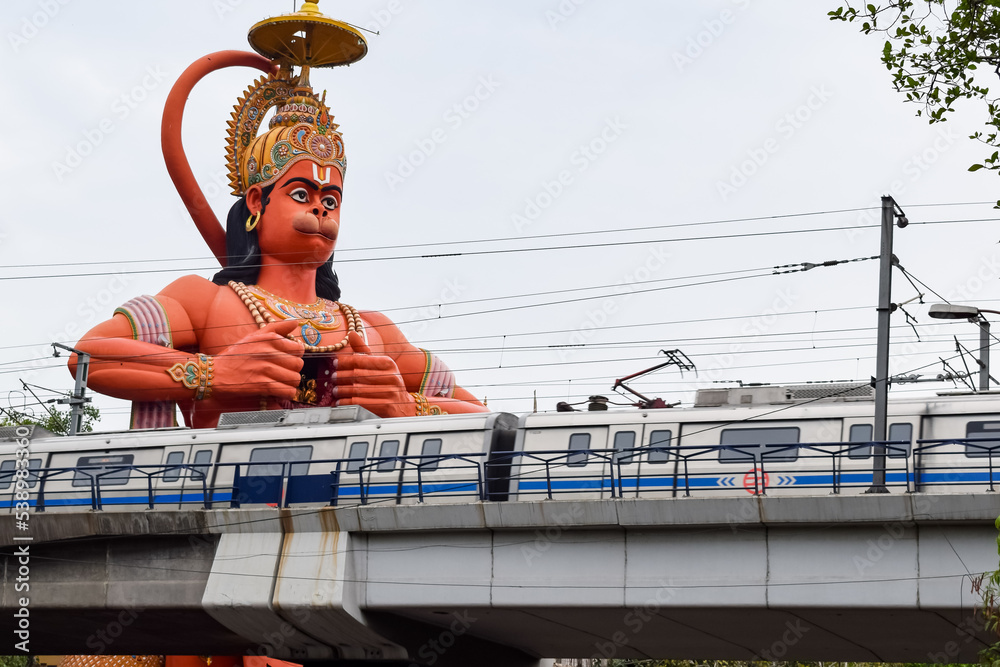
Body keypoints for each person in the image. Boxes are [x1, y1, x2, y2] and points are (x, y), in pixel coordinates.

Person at [71, 70, 487, 429]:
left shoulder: (371, 330)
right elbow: (89, 356)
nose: (320, 211)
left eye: (331, 201)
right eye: (302, 193)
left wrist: (404, 406)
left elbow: (479, 413)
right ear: (257, 201)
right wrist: (216, 374)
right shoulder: (204, 302)